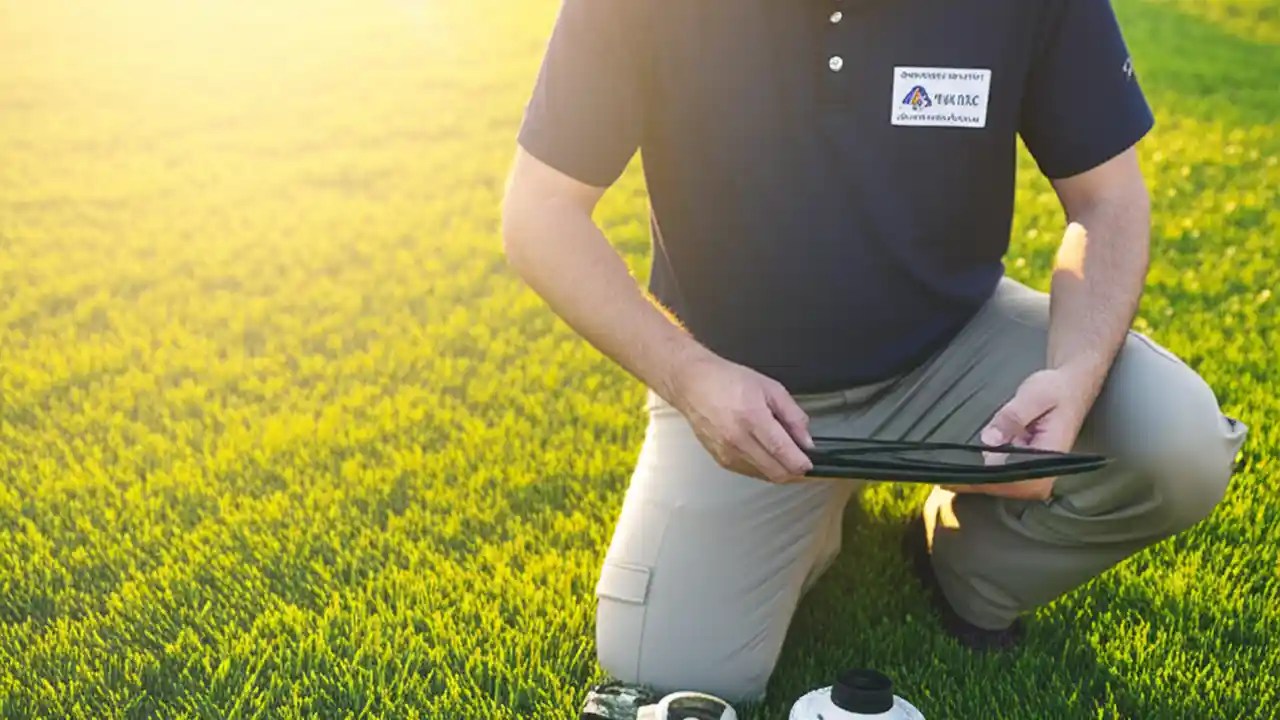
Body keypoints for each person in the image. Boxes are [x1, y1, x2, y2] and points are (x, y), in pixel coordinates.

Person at [500, 0, 1248, 705]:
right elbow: (540, 211)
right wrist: (688, 375)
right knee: (668, 670)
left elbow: (1107, 198)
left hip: (952, 351)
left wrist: (1075, 375)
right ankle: (814, 521)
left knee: (1176, 442)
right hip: (738, 387)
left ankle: (962, 566)